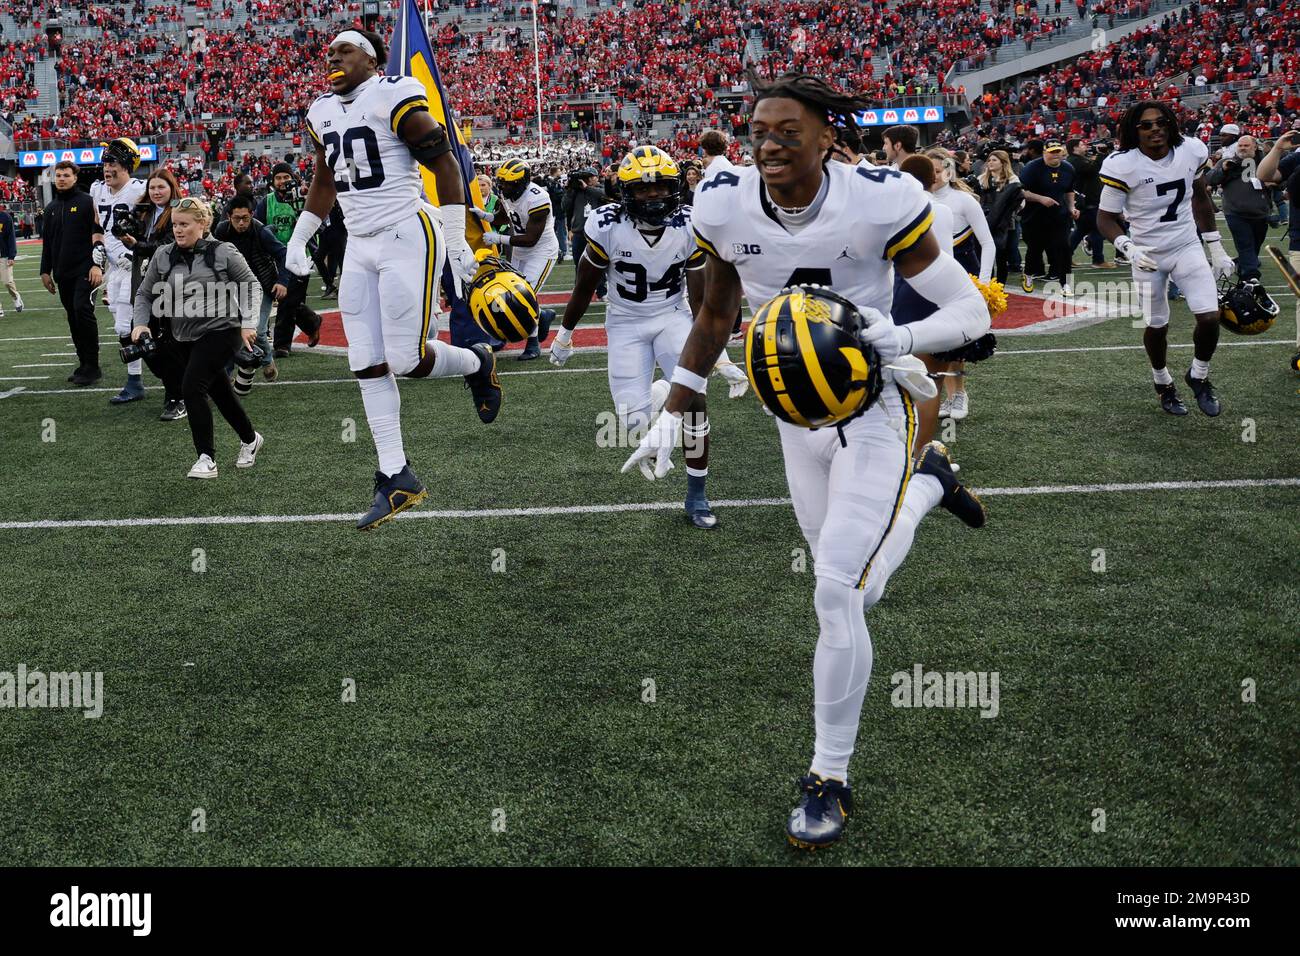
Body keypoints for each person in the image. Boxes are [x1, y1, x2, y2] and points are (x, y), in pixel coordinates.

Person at [623, 72, 988, 850]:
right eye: (759, 129)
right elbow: (718, 311)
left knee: (832, 591)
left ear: (829, 137)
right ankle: (930, 486)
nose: (769, 143)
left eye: (789, 130)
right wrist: (670, 415)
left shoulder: (880, 199)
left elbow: (971, 310)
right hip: (791, 415)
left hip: (875, 407)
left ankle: (829, 775)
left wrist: (902, 337)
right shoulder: (723, 201)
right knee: (856, 590)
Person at [290, 28, 500, 530]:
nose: (333, 57)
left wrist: (455, 241)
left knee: (407, 359)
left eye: (343, 49)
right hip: (359, 242)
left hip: (406, 229)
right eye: (329, 51)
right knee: (364, 362)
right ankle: (395, 475)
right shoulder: (321, 110)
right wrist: (301, 238)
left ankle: (476, 362)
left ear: (371, 58)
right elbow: (325, 180)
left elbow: (444, 163)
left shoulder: (394, 94)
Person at [550, 145, 743, 529]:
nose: (652, 195)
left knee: (694, 403)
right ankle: (662, 394)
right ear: (626, 192)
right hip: (624, 322)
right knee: (635, 424)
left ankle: (697, 495)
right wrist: (565, 333)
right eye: (642, 188)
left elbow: (701, 297)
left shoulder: (690, 224)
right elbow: (585, 285)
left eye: (659, 187)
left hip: (672, 316)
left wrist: (715, 355)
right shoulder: (607, 224)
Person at [1097, 100, 1236, 417]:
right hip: (1147, 252)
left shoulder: (1191, 150)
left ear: (1170, 123)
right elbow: (1105, 218)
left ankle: (1198, 375)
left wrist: (1215, 246)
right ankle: (1163, 382)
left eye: (1161, 121)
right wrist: (1129, 248)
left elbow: (1200, 197)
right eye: (1146, 124)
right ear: (1135, 130)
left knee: (1210, 316)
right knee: (1157, 324)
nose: (1155, 128)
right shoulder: (1123, 164)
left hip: (1186, 245)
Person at [130, 198, 264, 478]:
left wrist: (249, 323)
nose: (178, 230)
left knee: (191, 387)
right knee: (220, 392)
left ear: (202, 224)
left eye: (184, 224)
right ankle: (251, 439)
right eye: (175, 224)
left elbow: (251, 285)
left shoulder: (224, 251)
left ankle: (206, 459)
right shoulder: (163, 255)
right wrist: (141, 324)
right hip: (182, 336)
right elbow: (144, 293)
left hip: (222, 330)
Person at [924, 147, 994, 422]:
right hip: (928, 278)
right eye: (928, 171)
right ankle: (942, 397)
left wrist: (984, 283)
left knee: (957, 342)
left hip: (964, 276)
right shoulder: (918, 201)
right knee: (933, 342)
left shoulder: (964, 201)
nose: (933, 176)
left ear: (950, 171)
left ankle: (959, 394)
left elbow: (987, 243)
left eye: (938, 171)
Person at [125, 167, 187, 421]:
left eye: (161, 187)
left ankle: (176, 396)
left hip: (171, 286)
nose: (156, 191)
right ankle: (178, 387)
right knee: (141, 337)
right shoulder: (143, 213)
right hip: (145, 283)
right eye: (152, 187)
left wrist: (137, 244)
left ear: (171, 188)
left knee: (169, 343)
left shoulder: (179, 211)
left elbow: (169, 246)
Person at [91, 138, 148, 404]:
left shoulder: (140, 189)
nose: (107, 168)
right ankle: (137, 380)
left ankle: (136, 382)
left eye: (112, 162)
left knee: (128, 326)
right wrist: (98, 247)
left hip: (135, 268)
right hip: (114, 269)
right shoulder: (97, 190)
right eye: (105, 162)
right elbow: (97, 225)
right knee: (121, 326)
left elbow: (157, 221)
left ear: (127, 164)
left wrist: (140, 251)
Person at [482, 159, 558, 360]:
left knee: (525, 295)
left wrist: (498, 238)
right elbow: (506, 217)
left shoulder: (538, 198)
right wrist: (486, 216)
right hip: (519, 250)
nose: (504, 187)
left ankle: (533, 344)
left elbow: (531, 239)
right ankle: (542, 316)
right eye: (503, 183)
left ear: (521, 182)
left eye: (509, 183)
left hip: (541, 250)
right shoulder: (510, 194)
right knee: (512, 293)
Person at [40, 160, 105, 386]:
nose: (62, 179)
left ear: (75, 178)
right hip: (62, 273)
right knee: (73, 317)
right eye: (58, 175)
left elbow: (98, 235)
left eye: (66, 175)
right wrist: (44, 272)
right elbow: (47, 243)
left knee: (82, 310)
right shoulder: (50, 209)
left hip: (86, 271)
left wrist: (98, 265)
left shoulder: (88, 203)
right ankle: (84, 364)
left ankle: (93, 366)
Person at [213, 194, 289, 384]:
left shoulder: (261, 231)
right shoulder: (221, 231)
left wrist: (282, 282)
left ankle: (267, 360)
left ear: (251, 215)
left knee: (258, 330)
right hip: (232, 288)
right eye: (237, 218)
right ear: (228, 216)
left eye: (245, 218)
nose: (241, 223)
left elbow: (283, 255)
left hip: (261, 286)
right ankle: (227, 372)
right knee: (229, 330)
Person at [256, 161, 322, 356]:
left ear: (293, 178)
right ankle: (312, 321)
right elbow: (258, 227)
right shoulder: (266, 201)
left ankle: (281, 345)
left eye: (286, 177)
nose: (283, 181)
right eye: (278, 178)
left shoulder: (304, 198)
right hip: (275, 259)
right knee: (290, 301)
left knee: (287, 300)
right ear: (273, 181)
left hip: (301, 256)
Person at [1208, 135, 1270, 281]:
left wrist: (1274, 183)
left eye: (1246, 145)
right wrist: (1223, 169)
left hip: (1260, 212)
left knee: (1254, 247)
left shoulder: (1264, 161)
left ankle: (1242, 268)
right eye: (1240, 145)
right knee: (1245, 244)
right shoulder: (1228, 162)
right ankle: (1251, 277)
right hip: (1235, 212)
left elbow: (1278, 178)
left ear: (1255, 146)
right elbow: (1210, 179)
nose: (1242, 148)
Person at [1018, 141, 1077, 295]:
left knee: (1064, 248)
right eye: (1052, 151)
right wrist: (1041, 199)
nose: (1055, 154)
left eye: (1058, 151)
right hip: (1035, 216)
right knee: (1035, 249)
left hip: (1059, 216)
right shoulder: (1031, 168)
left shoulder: (1068, 168)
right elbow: (1021, 192)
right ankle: (1028, 274)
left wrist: (1071, 207)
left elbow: (1069, 190)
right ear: (1044, 152)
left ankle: (1066, 283)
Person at [976, 149, 1023, 285]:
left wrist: (1011, 212)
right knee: (985, 253)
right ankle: (988, 283)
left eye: (994, 160)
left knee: (1002, 255)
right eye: (989, 160)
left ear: (1003, 163)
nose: (990, 163)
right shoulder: (981, 179)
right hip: (985, 221)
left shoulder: (1012, 179)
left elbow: (1021, 201)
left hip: (1005, 222)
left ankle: (1000, 287)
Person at [1067, 138, 1111, 268]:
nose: (1085, 146)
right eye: (1082, 145)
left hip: (1087, 201)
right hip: (1087, 202)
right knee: (1097, 230)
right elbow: (1093, 169)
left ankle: (1065, 256)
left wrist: (1102, 154)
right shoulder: (1074, 161)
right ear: (1074, 148)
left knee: (1081, 230)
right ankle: (1098, 260)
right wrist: (1101, 154)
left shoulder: (1079, 160)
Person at [0, 205, 22, 315]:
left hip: (3, 255)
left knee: (8, 281)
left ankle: (16, 296)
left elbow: (11, 237)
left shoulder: (5, 217)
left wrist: (11, 256)